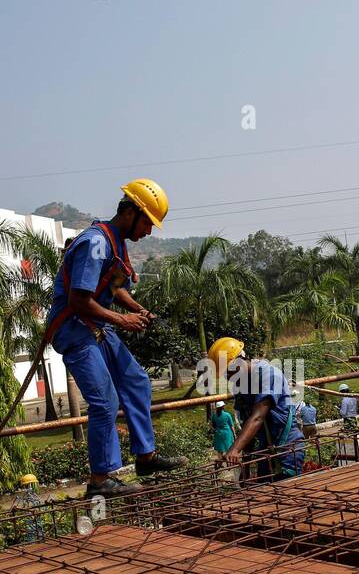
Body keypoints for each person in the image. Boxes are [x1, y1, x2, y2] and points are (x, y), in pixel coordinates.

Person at [45, 178, 186, 497]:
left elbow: (114, 287)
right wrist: (123, 319)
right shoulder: (95, 242)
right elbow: (79, 299)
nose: (148, 232)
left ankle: (146, 457)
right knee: (103, 400)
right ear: (131, 212)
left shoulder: (116, 243)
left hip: (95, 325)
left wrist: (139, 309)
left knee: (136, 380)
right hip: (74, 327)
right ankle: (99, 481)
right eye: (147, 223)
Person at [207, 337, 305, 480]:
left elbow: (257, 417)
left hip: (287, 450)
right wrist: (245, 468)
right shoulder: (240, 385)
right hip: (266, 452)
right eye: (224, 375)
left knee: (286, 495)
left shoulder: (269, 375)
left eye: (229, 372)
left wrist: (234, 449)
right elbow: (249, 424)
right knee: (262, 493)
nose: (228, 378)